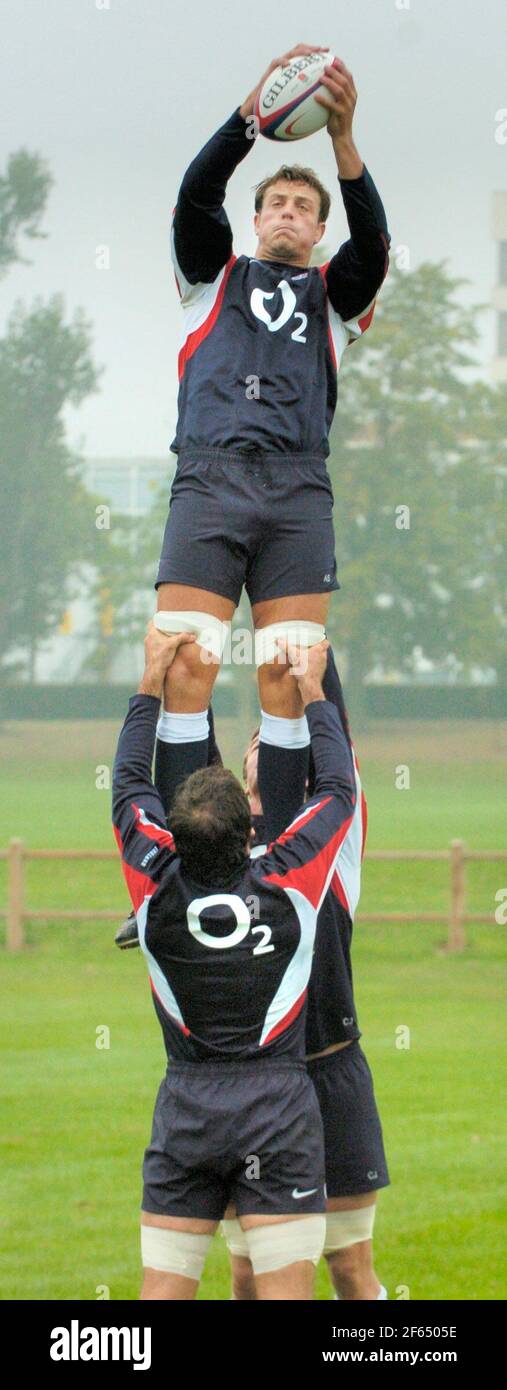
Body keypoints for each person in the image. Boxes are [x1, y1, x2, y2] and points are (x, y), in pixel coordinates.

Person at [152, 41, 391, 844]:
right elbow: (194, 195)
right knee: (184, 665)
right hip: (209, 481)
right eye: (275, 204)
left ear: (320, 231)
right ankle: (194, 855)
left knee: (289, 676)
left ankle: (280, 860)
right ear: (254, 220)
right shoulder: (208, 277)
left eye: (303, 207)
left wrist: (344, 143)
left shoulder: (334, 300)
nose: (287, 212)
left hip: (295, 492)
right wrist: (249, 118)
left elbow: (376, 248)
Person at [112, 623, 357, 1300]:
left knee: (157, 1299)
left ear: (174, 835)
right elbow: (337, 791)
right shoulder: (289, 884)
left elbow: (129, 783)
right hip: (277, 1111)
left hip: (185, 1111)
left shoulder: (153, 884)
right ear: (251, 834)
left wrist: (151, 682)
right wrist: (313, 694)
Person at [222, 648, 389, 1301]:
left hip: (330, 1073)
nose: (268, 741)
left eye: (280, 734)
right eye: (256, 736)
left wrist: (316, 669)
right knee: (248, 1273)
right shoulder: (220, 855)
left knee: (349, 1267)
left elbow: (339, 751)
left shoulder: (331, 844)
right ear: (240, 772)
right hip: (251, 1086)